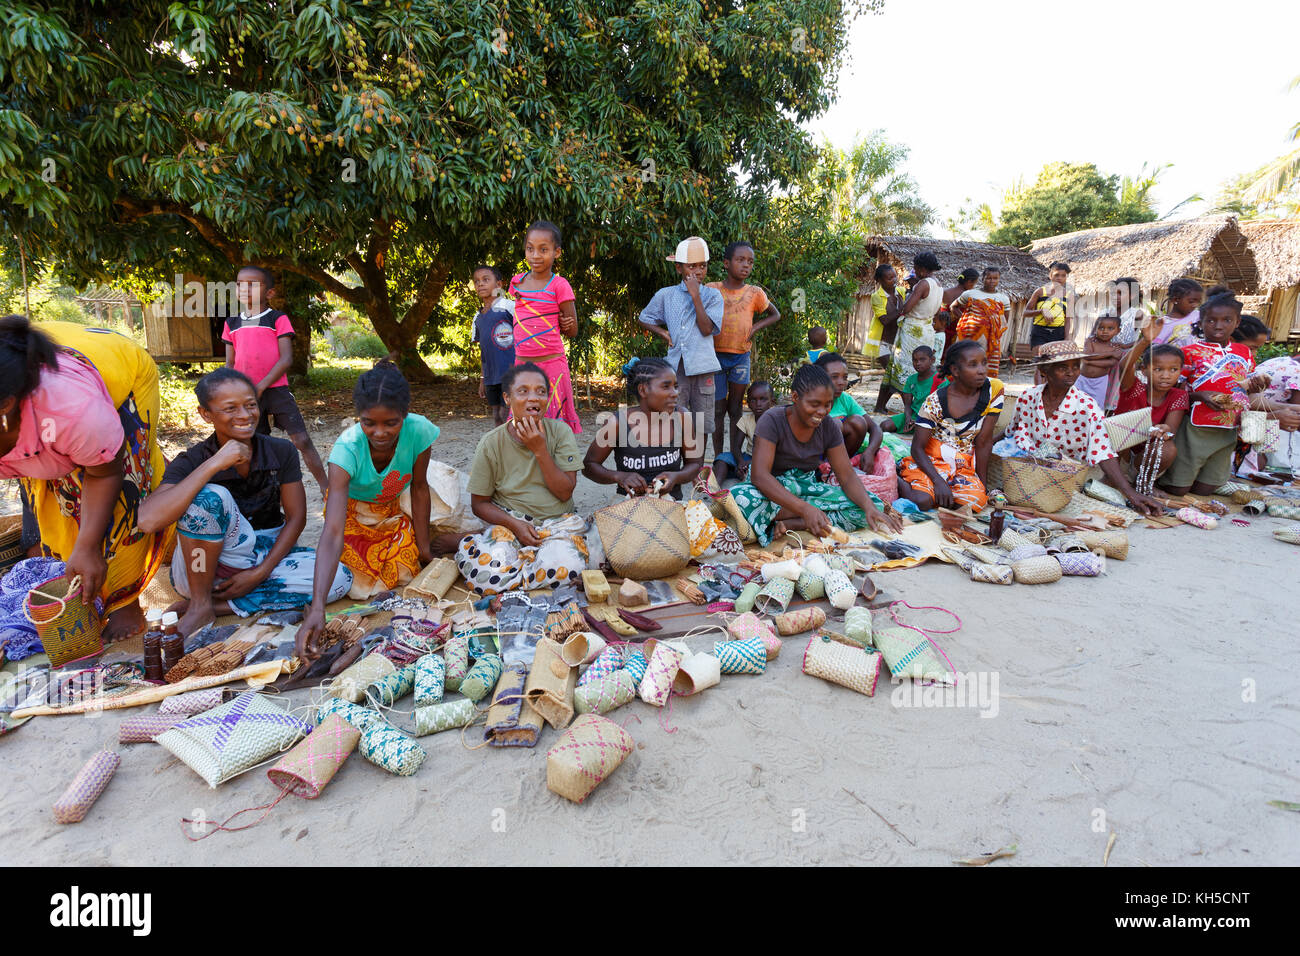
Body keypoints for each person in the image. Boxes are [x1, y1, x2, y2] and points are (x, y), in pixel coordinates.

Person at [137, 369, 351, 636]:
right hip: (202, 567)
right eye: (230, 408)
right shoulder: (192, 459)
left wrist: (260, 572)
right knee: (209, 498)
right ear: (206, 414)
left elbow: (296, 519)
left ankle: (223, 605)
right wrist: (214, 464)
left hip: (263, 557)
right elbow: (147, 519)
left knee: (339, 580)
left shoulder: (280, 451)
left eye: (250, 405)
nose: (244, 415)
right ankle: (201, 603)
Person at [0, 317, 171, 641]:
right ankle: (75, 588)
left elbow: (105, 472)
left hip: (120, 379)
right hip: (44, 421)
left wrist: (89, 546)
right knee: (53, 489)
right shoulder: (13, 413)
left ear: (5, 407)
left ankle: (124, 600)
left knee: (122, 493)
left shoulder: (72, 412)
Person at [295, 362, 442, 655]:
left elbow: (420, 487)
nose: (380, 432)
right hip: (351, 515)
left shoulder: (420, 431)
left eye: (391, 423)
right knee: (353, 583)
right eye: (368, 423)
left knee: (405, 569)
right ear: (357, 417)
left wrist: (424, 548)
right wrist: (318, 605)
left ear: (406, 415)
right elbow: (333, 529)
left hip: (390, 510)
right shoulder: (346, 450)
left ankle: (425, 542)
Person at [728, 365, 903, 546]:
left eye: (827, 405)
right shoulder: (772, 420)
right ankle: (810, 517)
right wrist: (804, 508)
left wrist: (868, 507)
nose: (822, 411)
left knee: (872, 504)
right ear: (795, 397)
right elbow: (760, 476)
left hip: (807, 489)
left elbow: (848, 476)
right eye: (814, 404)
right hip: (771, 490)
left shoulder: (829, 427)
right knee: (739, 498)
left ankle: (798, 523)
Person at [456, 363, 587, 594]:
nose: (533, 398)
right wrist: (515, 525)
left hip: (556, 524)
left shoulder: (560, 432)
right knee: (484, 577)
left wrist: (540, 450)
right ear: (507, 398)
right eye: (523, 391)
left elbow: (565, 492)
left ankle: (521, 571)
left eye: (541, 391)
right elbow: (479, 503)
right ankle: (530, 567)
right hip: (510, 522)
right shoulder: (491, 442)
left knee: (572, 567)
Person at [999, 342, 1163, 515]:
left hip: (1064, 479)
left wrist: (1130, 493)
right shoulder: (1028, 397)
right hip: (1027, 471)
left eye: (1076, 367)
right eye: (1063, 367)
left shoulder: (1086, 406)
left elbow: (1101, 450)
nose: (1071, 372)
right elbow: (1011, 432)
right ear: (1044, 370)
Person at [222, 266, 327, 492]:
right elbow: (230, 364)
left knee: (302, 440)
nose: (244, 289)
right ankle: (261, 492)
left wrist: (261, 386)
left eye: (252, 284)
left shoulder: (277, 319)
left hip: (276, 389)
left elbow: (286, 359)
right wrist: (230, 390)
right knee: (255, 443)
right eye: (240, 284)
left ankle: (326, 488)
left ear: (269, 293)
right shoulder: (231, 324)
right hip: (246, 396)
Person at [1160, 294, 1267, 496]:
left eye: (1227, 320)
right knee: (1178, 488)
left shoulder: (1244, 352)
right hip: (1195, 427)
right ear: (1201, 323)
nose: (1218, 326)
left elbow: (1247, 386)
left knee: (1205, 490)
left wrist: (1258, 384)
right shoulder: (1189, 352)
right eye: (1211, 320)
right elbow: (1173, 392)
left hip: (1229, 427)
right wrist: (1199, 396)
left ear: (1237, 322)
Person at [639, 236, 723, 455]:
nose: (697, 271)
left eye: (702, 266)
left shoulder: (713, 296)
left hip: (703, 367)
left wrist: (696, 296)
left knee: (702, 420)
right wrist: (663, 332)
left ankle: (698, 468)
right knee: (675, 415)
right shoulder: (666, 295)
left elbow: (707, 329)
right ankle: (675, 462)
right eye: (691, 266)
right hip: (676, 368)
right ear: (679, 268)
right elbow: (644, 317)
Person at [896, 340, 1003, 510]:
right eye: (973, 365)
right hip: (932, 460)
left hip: (962, 464)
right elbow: (917, 448)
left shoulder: (994, 390)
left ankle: (943, 490)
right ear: (955, 371)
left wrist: (983, 485)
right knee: (924, 501)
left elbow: (984, 442)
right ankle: (898, 479)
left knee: (974, 504)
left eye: (984, 363)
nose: (982, 370)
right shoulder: (936, 401)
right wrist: (938, 481)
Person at [583, 357, 703, 499]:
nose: (675, 393)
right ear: (643, 390)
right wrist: (619, 476)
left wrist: (676, 477)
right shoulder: (617, 423)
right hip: (628, 508)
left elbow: (695, 464)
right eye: (666, 386)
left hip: (672, 507)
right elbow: (589, 466)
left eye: (675, 386)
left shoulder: (682, 417)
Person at [708, 241, 780, 472]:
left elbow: (775, 314)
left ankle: (735, 455)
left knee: (736, 408)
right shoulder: (711, 289)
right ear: (727, 263)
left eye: (750, 262)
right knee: (718, 410)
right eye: (741, 260)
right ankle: (720, 458)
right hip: (714, 357)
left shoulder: (755, 293)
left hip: (740, 357)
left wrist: (756, 328)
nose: (746, 265)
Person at [510, 220, 581, 433]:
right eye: (530, 249)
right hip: (522, 366)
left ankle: (554, 465)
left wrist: (566, 323)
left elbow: (573, 330)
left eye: (543, 250)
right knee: (522, 422)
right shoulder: (517, 283)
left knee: (552, 425)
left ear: (556, 252)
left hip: (552, 366)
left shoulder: (560, 285)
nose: (535, 255)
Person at [1113, 325, 1188, 479]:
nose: (1166, 375)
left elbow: (1170, 429)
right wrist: (1145, 341)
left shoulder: (1178, 396)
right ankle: (1114, 476)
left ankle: (1140, 481)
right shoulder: (1134, 388)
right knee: (1123, 428)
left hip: (1145, 456)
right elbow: (1124, 366)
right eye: (1158, 369)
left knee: (1168, 449)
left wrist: (1164, 429)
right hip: (1119, 451)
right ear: (1144, 369)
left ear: (1181, 371)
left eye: (1173, 370)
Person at [886, 253, 944, 402]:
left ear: (922, 269)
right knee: (924, 367)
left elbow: (906, 308)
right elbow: (937, 311)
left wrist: (900, 302)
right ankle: (921, 400)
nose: (915, 271)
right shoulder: (938, 285)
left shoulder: (923, 284)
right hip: (927, 330)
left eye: (916, 268)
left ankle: (908, 405)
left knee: (908, 367)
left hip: (913, 330)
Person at [471, 264, 516, 426]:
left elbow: (527, 335)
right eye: (476, 281)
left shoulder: (510, 307)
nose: (480, 284)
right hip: (491, 376)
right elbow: (483, 351)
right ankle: (501, 447)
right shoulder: (478, 317)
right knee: (496, 414)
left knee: (508, 413)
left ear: (499, 285)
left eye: (485, 279)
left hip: (512, 373)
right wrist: (482, 379)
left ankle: (514, 448)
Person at [816, 351, 880, 460]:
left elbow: (875, 428)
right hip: (812, 455)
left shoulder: (844, 399)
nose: (841, 382)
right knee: (835, 424)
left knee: (858, 422)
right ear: (819, 377)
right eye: (834, 377)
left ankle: (839, 465)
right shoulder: (810, 400)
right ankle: (821, 468)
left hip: (837, 457)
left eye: (845, 377)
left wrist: (869, 452)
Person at [952, 267, 1012, 377]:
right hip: (968, 337)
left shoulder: (1003, 298)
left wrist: (991, 329)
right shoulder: (970, 294)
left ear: (999, 279)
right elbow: (954, 307)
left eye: (995, 278)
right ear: (983, 278)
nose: (992, 281)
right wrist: (966, 321)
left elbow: (1004, 320)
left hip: (991, 340)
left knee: (986, 368)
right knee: (965, 362)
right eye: (989, 278)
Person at [713, 380, 773, 483]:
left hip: (769, 459)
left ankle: (745, 475)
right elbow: (736, 447)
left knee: (761, 468)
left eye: (763, 399)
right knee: (722, 458)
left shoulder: (776, 421)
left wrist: (751, 462)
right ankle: (715, 486)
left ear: (772, 401)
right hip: (748, 457)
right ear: (748, 403)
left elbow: (776, 452)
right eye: (753, 400)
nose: (758, 404)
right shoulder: (746, 420)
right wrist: (741, 462)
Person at [869, 265, 905, 414]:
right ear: (879, 280)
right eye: (889, 278)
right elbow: (885, 320)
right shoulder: (876, 297)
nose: (893, 280)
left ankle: (879, 406)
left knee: (890, 376)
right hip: (882, 343)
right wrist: (903, 310)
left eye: (894, 276)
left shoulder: (901, 292)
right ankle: (908, 406)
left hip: (898, 342)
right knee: (894, 374)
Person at [880, 345, 939, 433]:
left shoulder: (940, 380)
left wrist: (922, 422)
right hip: (913, 416)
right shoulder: (911, 379)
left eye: (922, 359)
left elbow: (942, 410)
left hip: (931, 419)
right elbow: (907, 405)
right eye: (915, 360)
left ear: (932, 360)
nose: (918, 363)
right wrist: (908, 419)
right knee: (884, 426)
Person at [1075, 315, 1126, 411]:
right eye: (1101, 328)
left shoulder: (1115, 347)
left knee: (1096, 406)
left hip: (1100, 382)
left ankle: (1093, 425)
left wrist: (1088, 362)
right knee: (1076, 402)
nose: (1105, 331)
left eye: (1110, 328)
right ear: (1095, 328)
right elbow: (1087, 355)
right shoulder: (1090, 341)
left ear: (1117, 331)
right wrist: (1110, 354)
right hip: (1082, 379)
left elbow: (1111, 363)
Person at [1024, 261, 1073, 350]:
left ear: (1066, 277)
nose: (1060, 278)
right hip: (1040, 332)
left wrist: (1067, 338)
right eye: (1056, 275)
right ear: (1050, 276)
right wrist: (1041, 311)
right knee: (1041, 357)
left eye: (1063, 275)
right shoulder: (1040, 292)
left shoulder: (1069, 295)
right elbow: (1026, 313)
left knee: (1055, 361)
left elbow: (1068, 320)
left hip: (1059, 333)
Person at [1151, 278, 1204, 348]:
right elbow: (1155, 349)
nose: (1195, 305)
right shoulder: (1162, 324)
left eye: (1198, 302)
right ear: (1175, 299)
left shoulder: (1199, 316)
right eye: (1191, 302)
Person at [940, 268, 979, 357]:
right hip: (957, 331)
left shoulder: (946, 292)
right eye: (974, 283)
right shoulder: (967, 296)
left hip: (942, 329)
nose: (973, 286)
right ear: (969, 282)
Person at [1111, 276, 1156, 347]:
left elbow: (1149, 337)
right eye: (1113, 293)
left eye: (1120, 293)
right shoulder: (1107, 313)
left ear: (1132, 296)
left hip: (1127, 355)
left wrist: (1127, 345)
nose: (1115, 297)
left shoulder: (1136, 314)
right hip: (1105, 354)